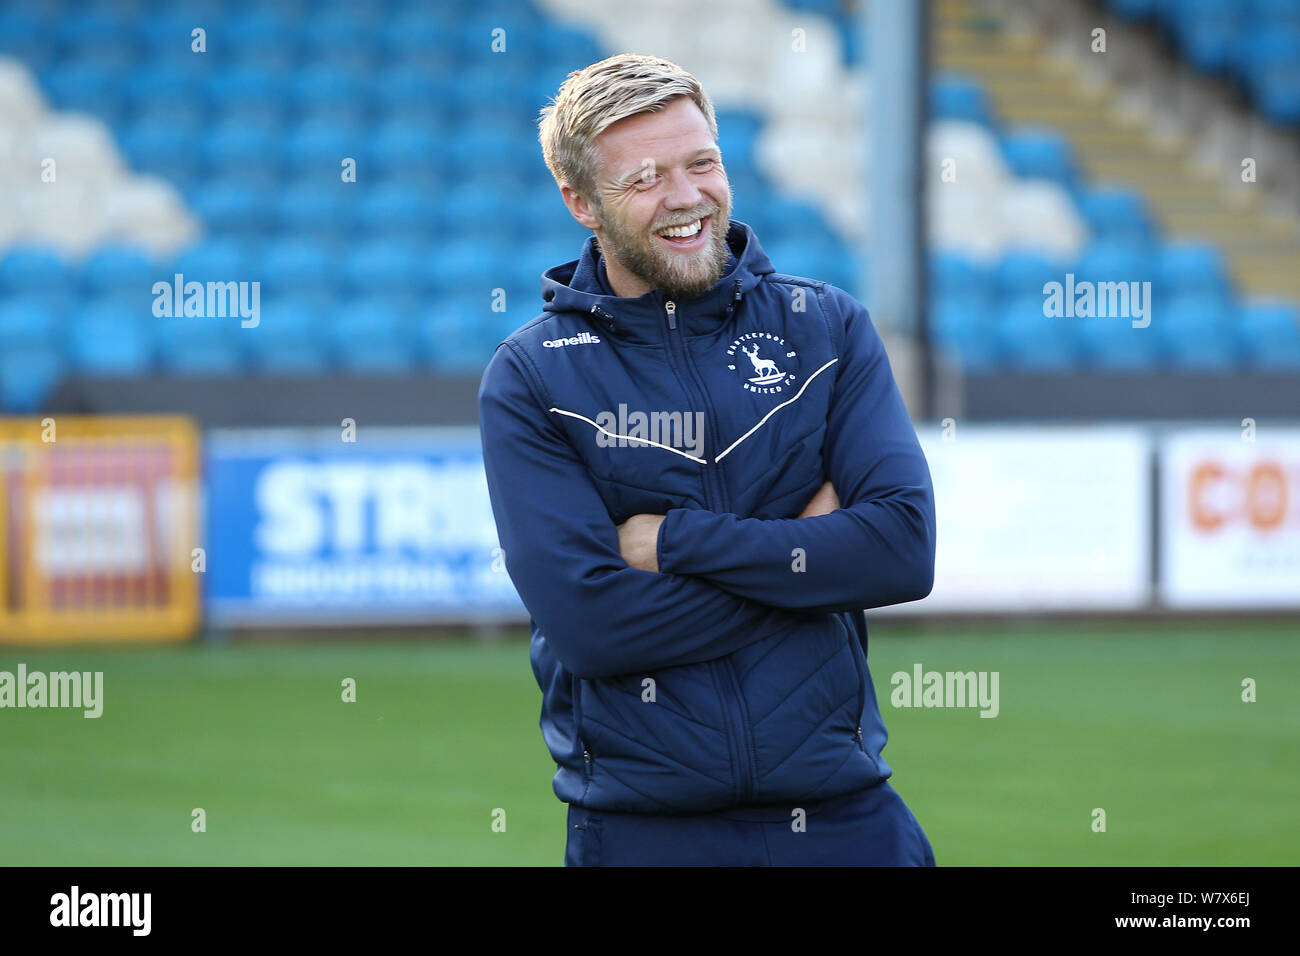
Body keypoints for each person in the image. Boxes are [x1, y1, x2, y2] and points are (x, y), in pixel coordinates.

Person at [478, 54, 937, 866]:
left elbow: (901, 550)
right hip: (643, 835)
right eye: (646, 177)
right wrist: (808, 553)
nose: (687, 197)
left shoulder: (826, 328)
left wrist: (678, 544)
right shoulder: (535, 376)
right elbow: (594, 629)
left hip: (850, 824)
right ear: (581, 202)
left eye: (703, 162)